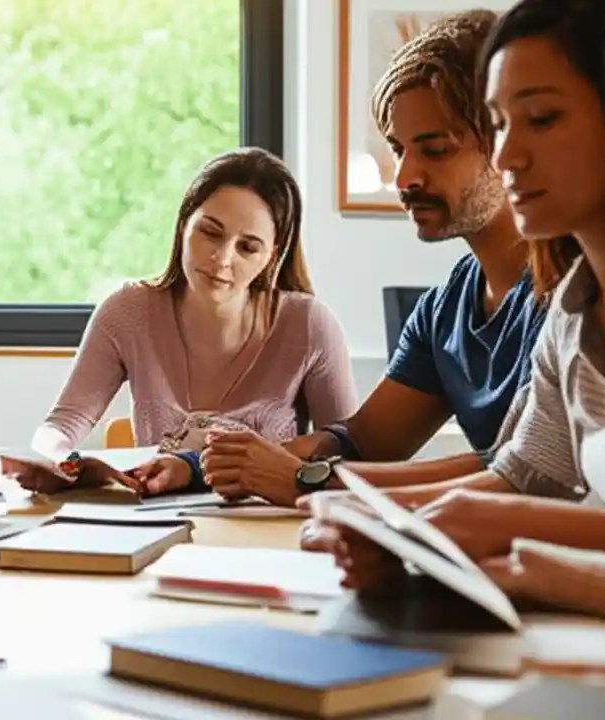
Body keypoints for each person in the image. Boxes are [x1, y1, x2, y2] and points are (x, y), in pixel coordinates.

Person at [323, 0, 605, 597]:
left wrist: (510, 546)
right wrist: (382, 523)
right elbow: (525, 476)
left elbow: (522, 507)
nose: (507, 158)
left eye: (544, 118)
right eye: (500, 124)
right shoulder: (573, 313)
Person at [201, 10, 578, 508]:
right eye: (399, 149)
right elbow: (366, 439)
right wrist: (223, 464)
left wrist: (311, 481)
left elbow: (522, 467)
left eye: (436, 150)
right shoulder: (447, 307)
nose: (405, 177)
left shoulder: (575, 289)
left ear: (503, 142)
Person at [11, 147, 359, 496]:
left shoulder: (309, 324)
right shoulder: (126, 311)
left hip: (268, 532)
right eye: (210, 232)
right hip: (156, 530)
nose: (222, 259)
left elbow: (350, 455)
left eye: (248, 248)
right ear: (183, 224)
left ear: (272, 256)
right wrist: (57, 461)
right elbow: (60, 426)